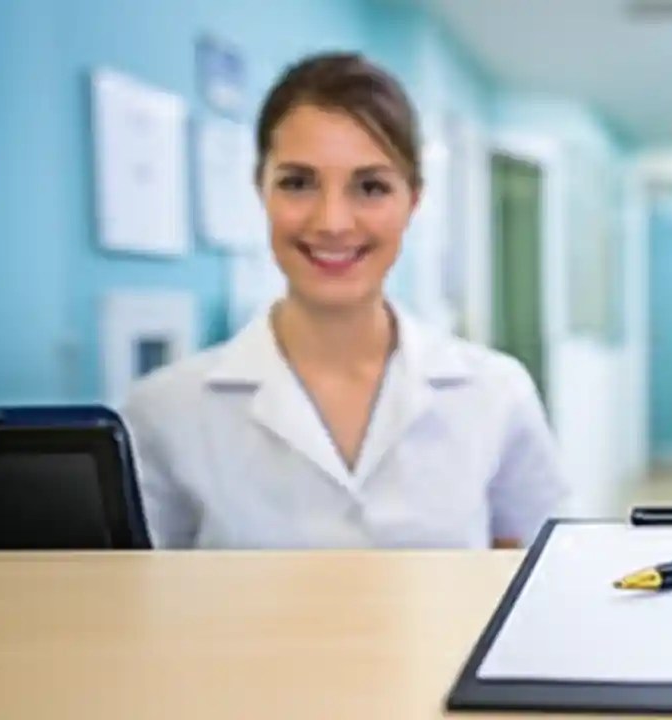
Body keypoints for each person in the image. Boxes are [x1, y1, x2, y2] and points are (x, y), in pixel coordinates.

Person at [121, 52, 566, 549]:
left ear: (412, 200)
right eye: (298, 183)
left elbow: (532, 577)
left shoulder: (496, 395)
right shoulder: (165, 411)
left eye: (371, 186)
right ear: (260, 188)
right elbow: (139, 607)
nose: (332, 221)